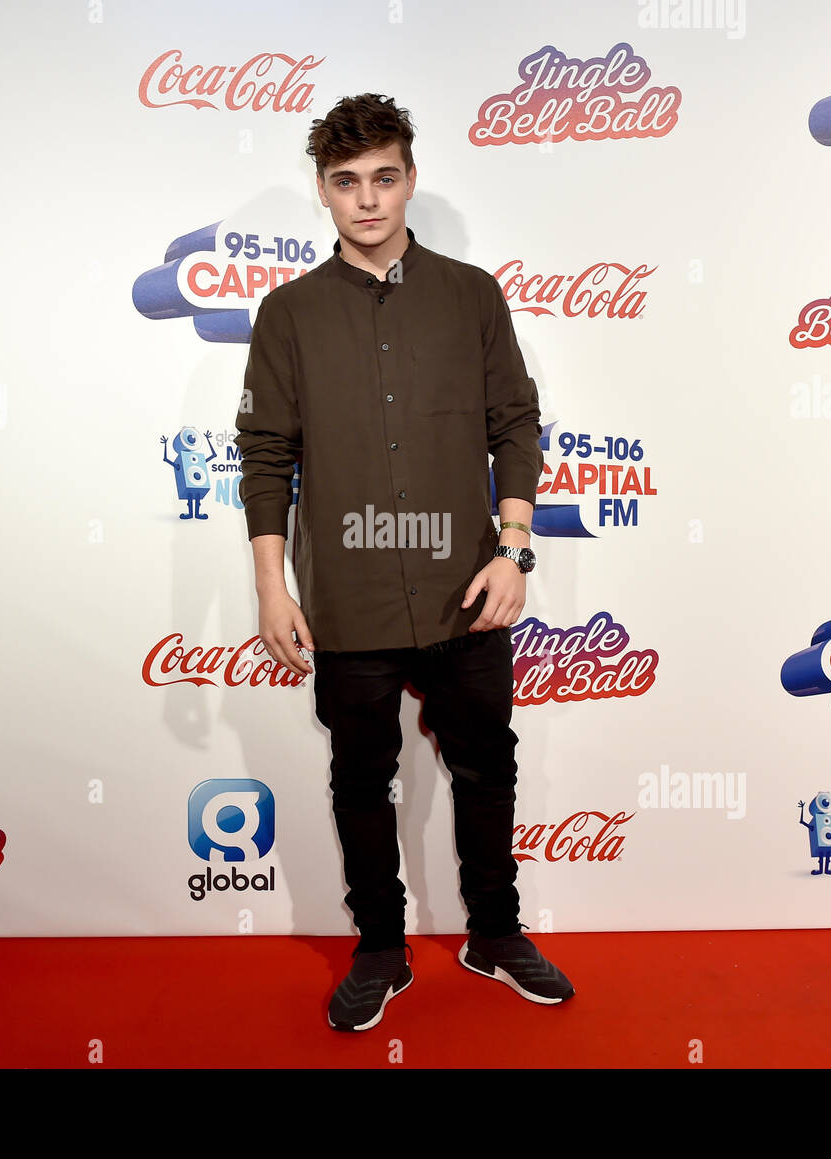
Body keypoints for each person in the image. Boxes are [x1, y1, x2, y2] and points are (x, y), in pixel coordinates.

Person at [234, 92, 574, 1031]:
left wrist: (513, 550)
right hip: (346, 593)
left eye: (385, 178)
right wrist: (273, 585)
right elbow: (265, 452)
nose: (369, 200)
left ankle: (494, 932)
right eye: (347, 183)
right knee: (358, 776)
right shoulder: (289, 312)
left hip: (469, 586)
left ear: (411, 180)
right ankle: (380, 947)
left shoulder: (471, 293)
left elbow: (514, 421)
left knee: (488, 767)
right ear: (323, 193)